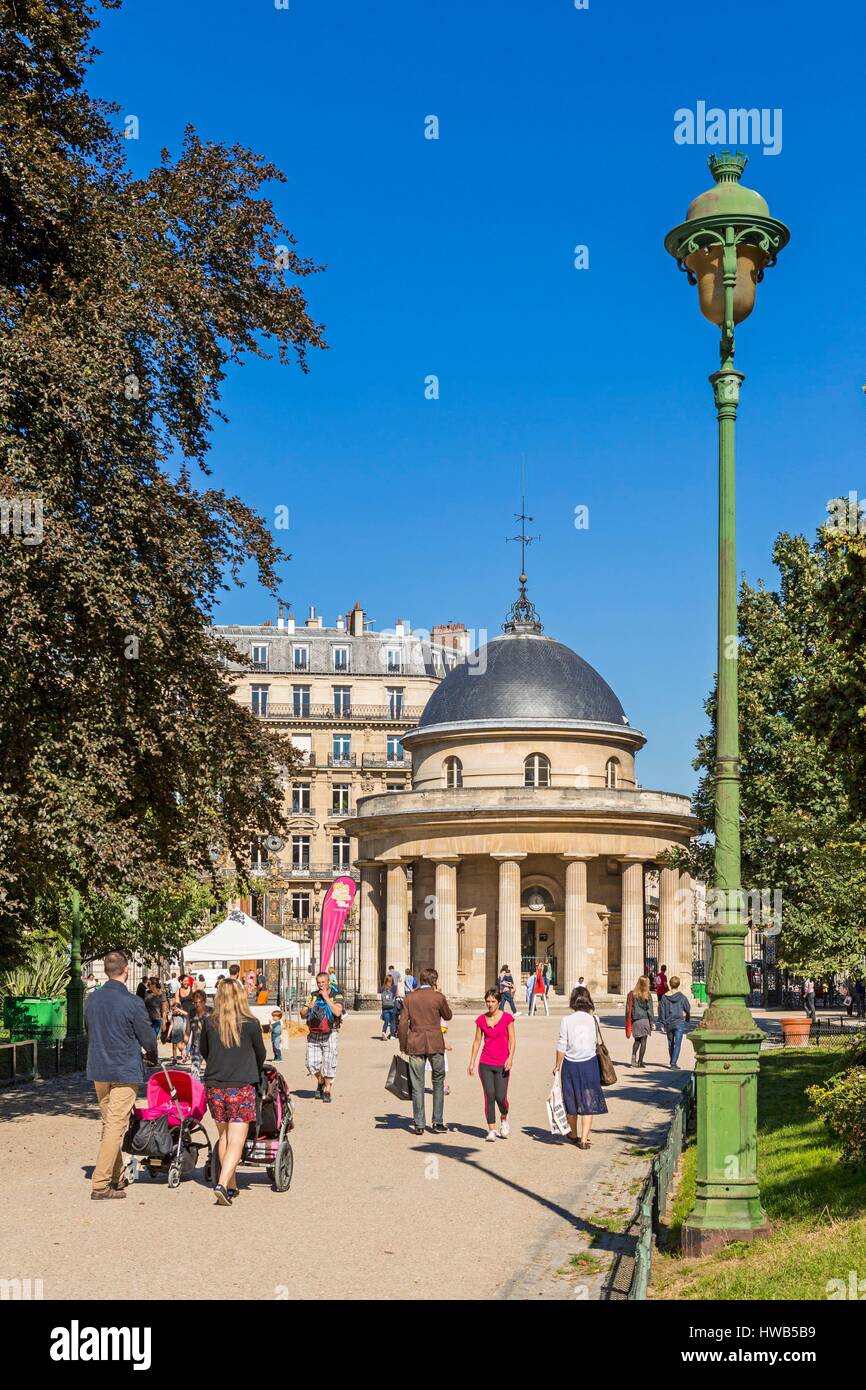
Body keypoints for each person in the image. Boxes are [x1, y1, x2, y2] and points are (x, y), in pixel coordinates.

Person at [85, 950, 158, 1200]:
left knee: (109, 1124)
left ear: (106, 971)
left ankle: (116, 1177)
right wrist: (152, 1054)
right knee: (117, 1125)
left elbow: (90, 1031)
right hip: (124, 1068)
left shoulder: (91, 1000)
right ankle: (101, 1183)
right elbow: (147, 1037)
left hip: (99, 1068)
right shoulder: (132, 1002)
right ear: (126, 970)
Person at [200, 979, 265, 1206]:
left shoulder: (210, 1023)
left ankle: (231, 1185)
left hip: (215, 1086)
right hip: (240, 1086)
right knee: (237, 1140)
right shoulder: (250, 1023)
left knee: (224, 1136)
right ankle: (221, 1183)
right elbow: (261, 1054)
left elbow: (204, 1051)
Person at [397, 967, 452, 1135]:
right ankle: (437, 1121)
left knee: (417, 1084)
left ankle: (419, 1123)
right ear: (434, 981)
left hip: (416, 1042)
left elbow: (403, 1024)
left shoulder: (410, 998)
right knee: (438, 1081)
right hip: (435, 1042)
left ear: (421, 980)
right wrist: (440, 995)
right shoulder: (438, 997)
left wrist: (403, 1045)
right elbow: (448, 1015)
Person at [553, 986, 608, 1149]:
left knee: (571, 1100)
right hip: (590, 1064)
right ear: (588, 1000)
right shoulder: (595, 1019)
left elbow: (562, 1045)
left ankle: (573, 1134)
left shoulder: (566, 1020)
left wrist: (557, 1065)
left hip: (570, 1065)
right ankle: (584, 1139)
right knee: (588, 1101)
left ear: (573, 1001)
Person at [468, 987, 516, 1141]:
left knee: (500, 1097)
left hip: (502, 1063)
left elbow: (513, 1040)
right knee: (489, 1095)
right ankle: (492, 1129)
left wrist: (511, 1058)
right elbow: (476, 1042)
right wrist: (471, 1062)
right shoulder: (481, 1020)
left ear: (499, 1002)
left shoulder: (507, 1018)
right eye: (487, 1001)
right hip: (485, 1063)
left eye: (493, 1001)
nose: (490, 1004)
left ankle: (504, 1117)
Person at [301, 972, 344, 1102]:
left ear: (328, 982)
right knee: (311, 1063)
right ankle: (320, 1080)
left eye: (323, 982)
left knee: (329, 1063)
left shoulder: (337, 994)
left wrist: (326, 998)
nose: (320, 985)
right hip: (314, 1033)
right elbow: (302, 1014)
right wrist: (308, 1008)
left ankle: (327, 1090)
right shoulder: (313, 995)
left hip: (331, 1032)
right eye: (318, 982)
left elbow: (337, 1011)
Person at [658, 975, 691, 1067]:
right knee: (678, 1043)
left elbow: (662, 1010)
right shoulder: (682, 997)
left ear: (670, 984)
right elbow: (688, 1008)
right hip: (679, 1022)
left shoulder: (664, 997)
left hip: (669, 1022)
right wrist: (687, 1019)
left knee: (670, 1043)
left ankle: (672, 1060)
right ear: (678, 984)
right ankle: (673, 1063)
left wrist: (662, 1023)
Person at [625, 976, 655, 1067]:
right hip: (645, 1019)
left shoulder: (631, 994)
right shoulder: (648, 994)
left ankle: (633, 1056)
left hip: (636, 1020)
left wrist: (627, 1020)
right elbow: (650, 1010)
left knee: (637, 1040)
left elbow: (628, 1009)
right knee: (644, 1041)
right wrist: (652, 1021)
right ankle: (640, 1061)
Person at [187, 989, 210, 1078]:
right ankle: (195, 1090)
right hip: (197, 1046)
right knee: (194, 1071)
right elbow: (188, 1031)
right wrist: (185, 1047)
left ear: (204, 1001)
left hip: (210, 1046)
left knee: (213, 1071)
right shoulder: (191, 1013)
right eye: (195, 1002)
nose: (197, 1004)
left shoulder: (211, 1012)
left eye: (199, 1002)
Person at [143, 977, 167, 1041]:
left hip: (156, 1020)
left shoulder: (162, 994)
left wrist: (164, 1023)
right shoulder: (147, 993)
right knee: (147, 1040)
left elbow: (164, 1010)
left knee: (152, 1039)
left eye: (149, 983)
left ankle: (152, 1050)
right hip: (147, 1020)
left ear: (154, 984)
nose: (148, 985)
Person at [380, 974, 398, 1040]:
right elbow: (397, 995)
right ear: (392, 980)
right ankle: (392, 1035)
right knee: (393, 1021)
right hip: (393, 1007)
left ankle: (384, 1032)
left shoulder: (382, 988)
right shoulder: (395, 987)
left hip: (385, 1007)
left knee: (386, 1021)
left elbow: (382, 999)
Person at [655, 964, 669, 1030]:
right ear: (665, 969)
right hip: (663, 992)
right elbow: (665, 984)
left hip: (658, 991)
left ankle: (659, 1016)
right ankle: (663, 1017)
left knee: (659, 1004)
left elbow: (656, 983)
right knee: (664, 1005)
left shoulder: (657, 975)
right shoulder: (664, 976)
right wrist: (668, 990)